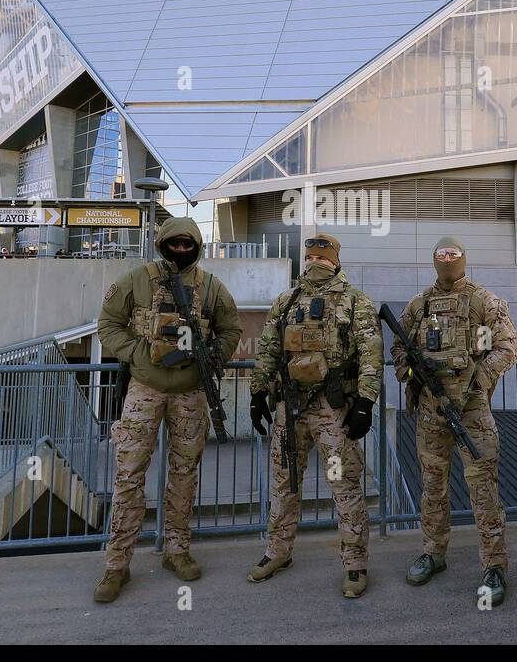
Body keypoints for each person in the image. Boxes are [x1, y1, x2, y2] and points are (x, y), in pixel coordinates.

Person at [92, 217, 241, 602]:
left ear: (197, 245)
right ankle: (116, 564)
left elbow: (231, 329)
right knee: (128, 475)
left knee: (184, 474)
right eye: (172, 244)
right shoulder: (137, 280)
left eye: (186, 244)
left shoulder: (211, 287)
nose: (179, 250)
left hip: (191, 392)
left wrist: (213, 356)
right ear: (162, 244)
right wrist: (138, 353)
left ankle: (177, 550)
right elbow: (108, 324)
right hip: (145, 388)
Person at [247, 233, 382, 598]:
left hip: (331, 411)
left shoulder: (355, 301)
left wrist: (365, 402)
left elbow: (371, 353)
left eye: (324, 255)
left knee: (343, 486)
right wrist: (258, 391)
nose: (316, 261)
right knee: (284, 483)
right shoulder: (287, 300)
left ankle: (354, 563)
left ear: (336, 260)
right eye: (311, 255)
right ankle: (278, 552)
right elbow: (269, 350)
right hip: (290, 411)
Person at [390, 236, 517, 606]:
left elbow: (510, 347)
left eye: (454, 254)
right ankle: (433, 552)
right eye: (441, 254)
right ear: (434, 260)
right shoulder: (418, 306)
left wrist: (479, 377)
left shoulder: (484, 302)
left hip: (471, 412)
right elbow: (399, 348)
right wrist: (410, 373)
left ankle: (494, 566)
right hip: (431, 411)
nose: (447, 259)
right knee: (432, 486)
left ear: (464, 258)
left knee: (483, 488)